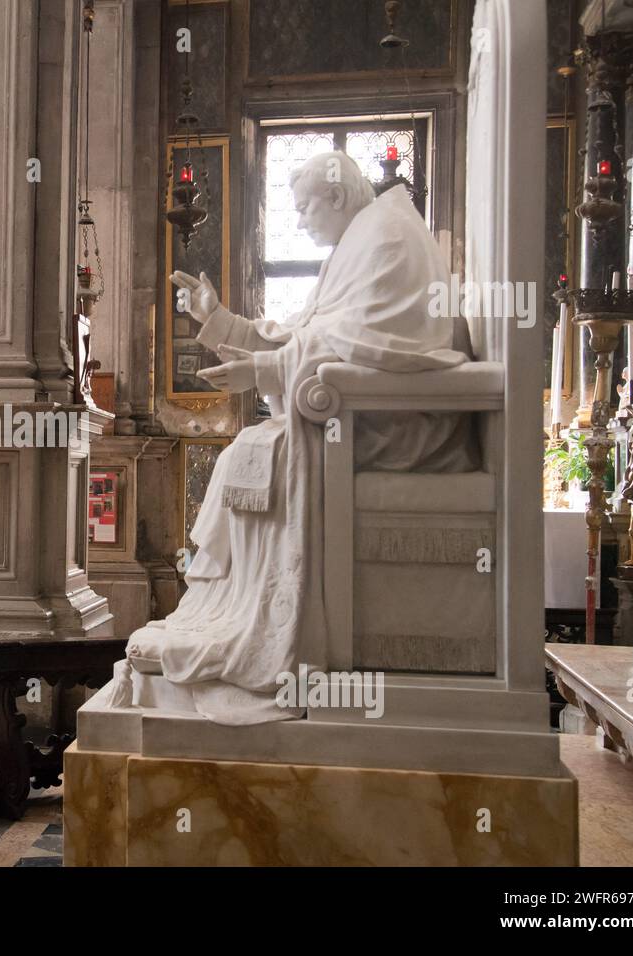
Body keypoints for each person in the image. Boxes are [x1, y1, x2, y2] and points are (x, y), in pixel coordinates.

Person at [108, 151, 478, 725]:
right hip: (366, 408)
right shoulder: (365, 235)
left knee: (260, 450)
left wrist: (261, 372)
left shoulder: (384, 237)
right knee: (251, 450)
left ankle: (247, 622)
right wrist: (223, 322)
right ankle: (222, 609)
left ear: (335, 196)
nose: (300, 219)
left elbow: (359, 348)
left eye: (305, 207)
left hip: (394, 422)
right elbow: (317, 335)